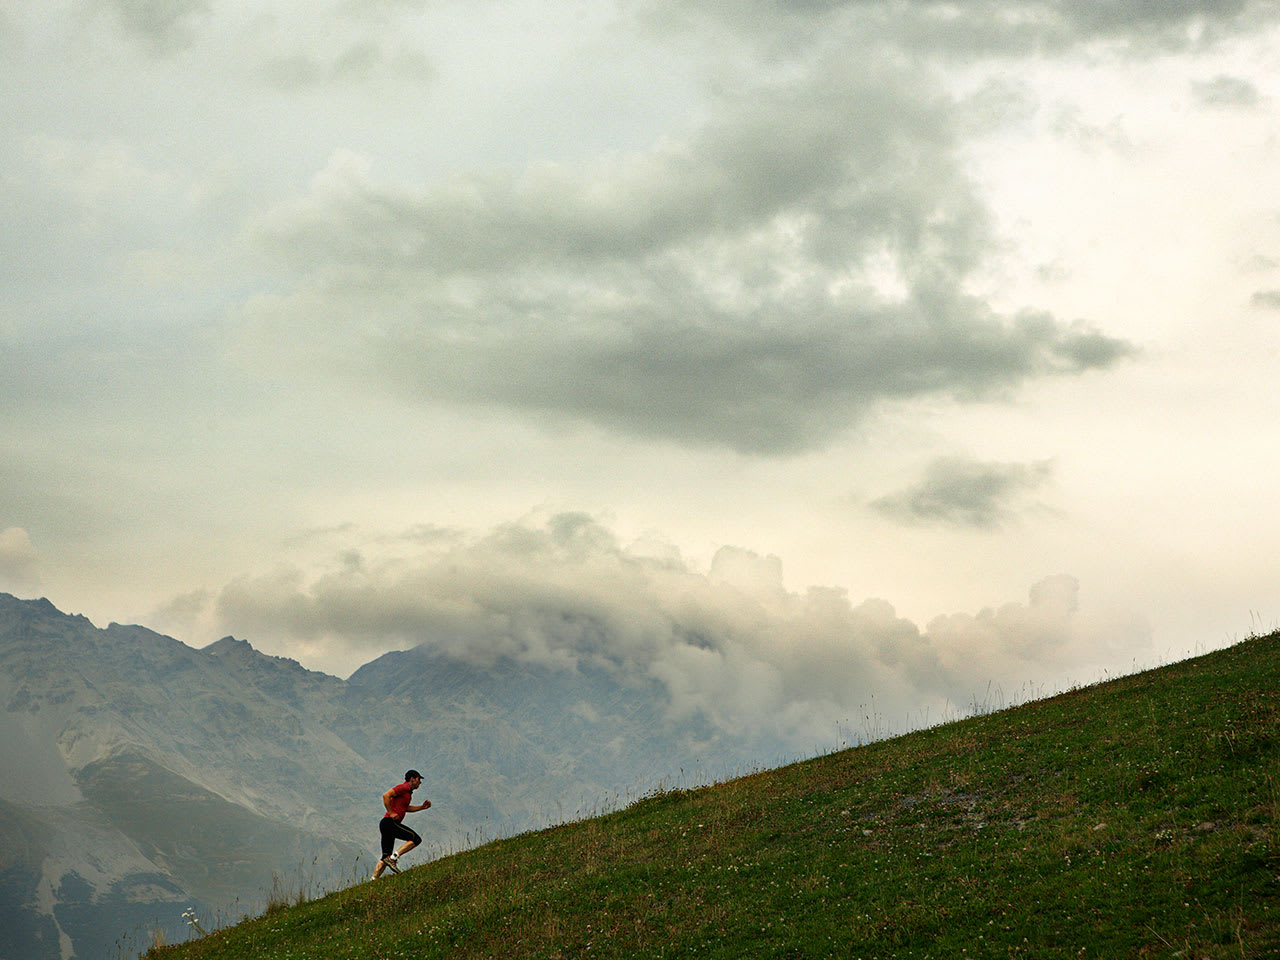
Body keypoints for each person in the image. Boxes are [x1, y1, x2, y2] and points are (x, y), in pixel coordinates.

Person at [371, 769, 431, 878]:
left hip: (386, 824)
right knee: (416, 839)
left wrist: (421, 807)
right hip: (389, 822)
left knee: (385, 857)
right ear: (412, 779)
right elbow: (386, 796)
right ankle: (394, 858)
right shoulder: (404, 788)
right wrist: (391, 812)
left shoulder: (408, 793)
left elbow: (405, 808)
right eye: (418, 780)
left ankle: (373, 880)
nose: (420, 783)